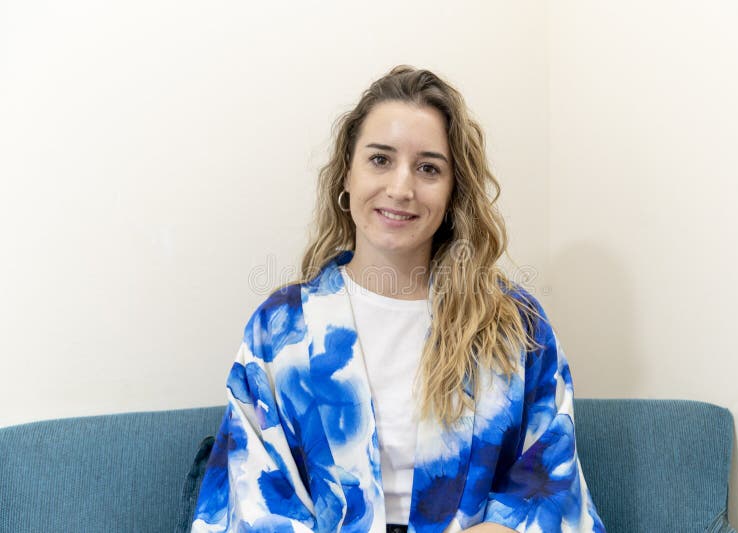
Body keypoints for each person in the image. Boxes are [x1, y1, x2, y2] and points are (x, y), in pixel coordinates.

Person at [191, 65, 605, 533]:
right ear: (346, 175)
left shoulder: (513, 324)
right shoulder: (281, 329)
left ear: (453, 192)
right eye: (380, 160)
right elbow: (253, 496)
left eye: (428, 168)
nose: (401, 188)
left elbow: (549, 477)